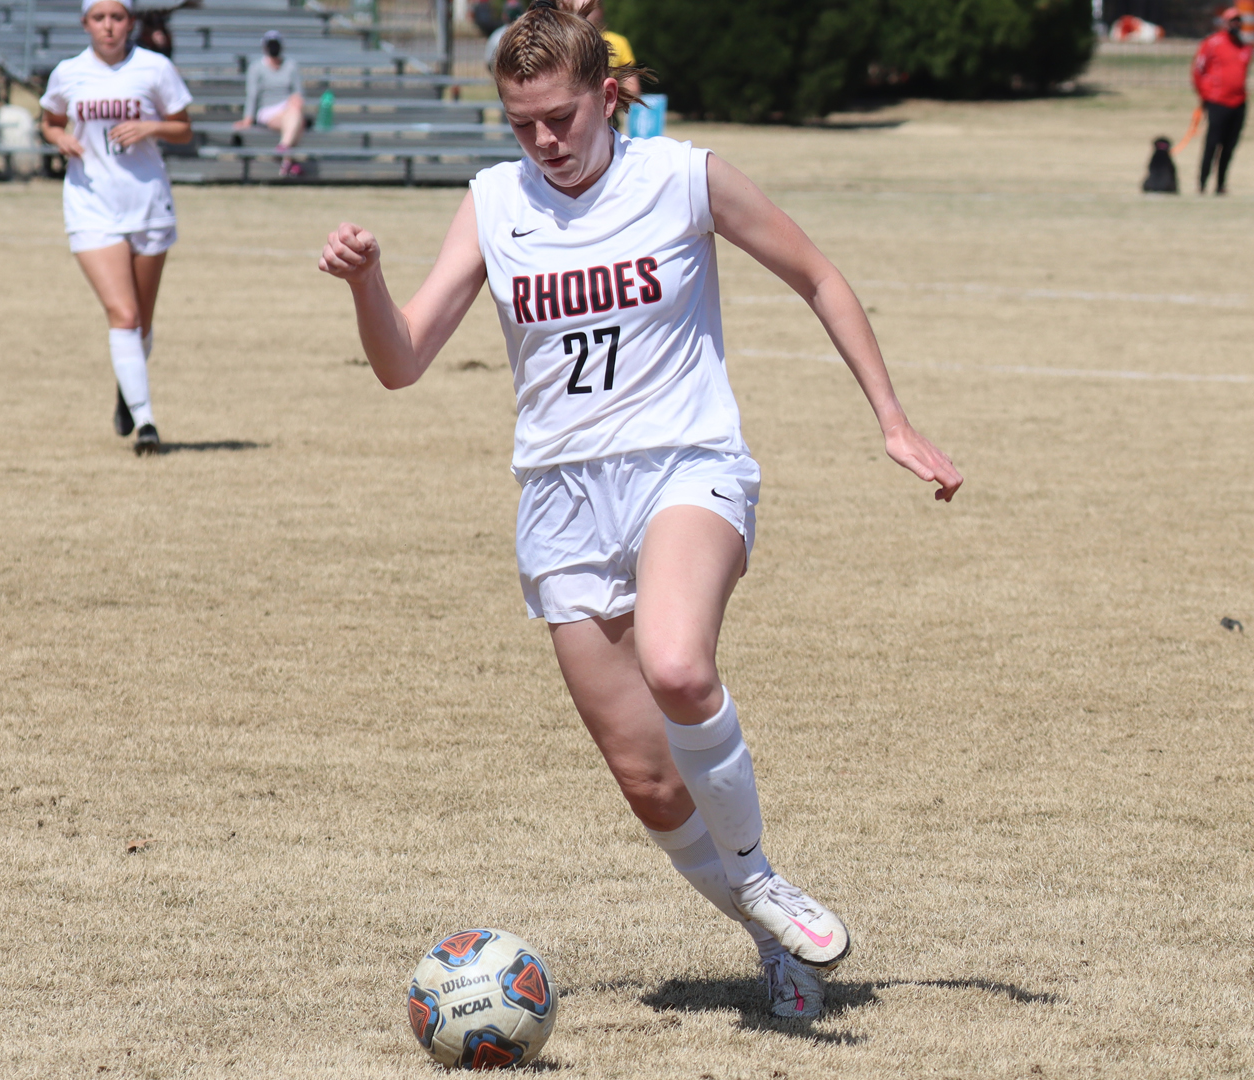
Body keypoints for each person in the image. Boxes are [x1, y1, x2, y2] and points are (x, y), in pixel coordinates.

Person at [318, 0, 961, 1021]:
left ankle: (761, 882)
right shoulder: (494, 202)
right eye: (522, 124)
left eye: (563, 118)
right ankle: (769, 930)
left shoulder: (682, 178)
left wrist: (893, 420)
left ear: (608, 95)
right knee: (653, 786)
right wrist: (368, 283)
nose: (545, 143)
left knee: (676, 664)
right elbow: (402, 362)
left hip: (684, 466)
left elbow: (818, 276)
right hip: (560, 502)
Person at [39, 0, 194, 456]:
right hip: (91, 204)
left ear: (130, 22)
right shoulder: (68, 72)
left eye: (118, 17)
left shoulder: (155, 68)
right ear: (85, 23)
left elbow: (183, 128)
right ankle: (146, 421)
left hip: (147, 202)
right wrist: (59, 137)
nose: (109, 27)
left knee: (140, 321)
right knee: (123, 315)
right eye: (99, 17)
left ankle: (127, 387)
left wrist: (150, 128)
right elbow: (49, 120)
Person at [1191, 7, 1253, 195]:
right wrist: (1205, 95)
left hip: (1239, 102)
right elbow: (1198, 70)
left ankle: (1221, 184)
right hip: (1217, 101)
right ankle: (1202, 183)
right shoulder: (1213, 43)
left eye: (1238, 21)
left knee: (1229, 146)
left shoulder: (1244, 47)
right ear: (1224, 23)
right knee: (1212, 144)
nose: (1235, 24)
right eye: (1232, 20)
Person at [235, 30, 303, 177]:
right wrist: (248, 118)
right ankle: (288, 160)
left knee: (294, 115)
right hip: (268, 111)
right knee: (296, 121)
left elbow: (298, 93)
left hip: (288, 110)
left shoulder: (291, 66)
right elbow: (252, 95)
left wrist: (295, 100)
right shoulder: (256, 68)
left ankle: (284, 152)